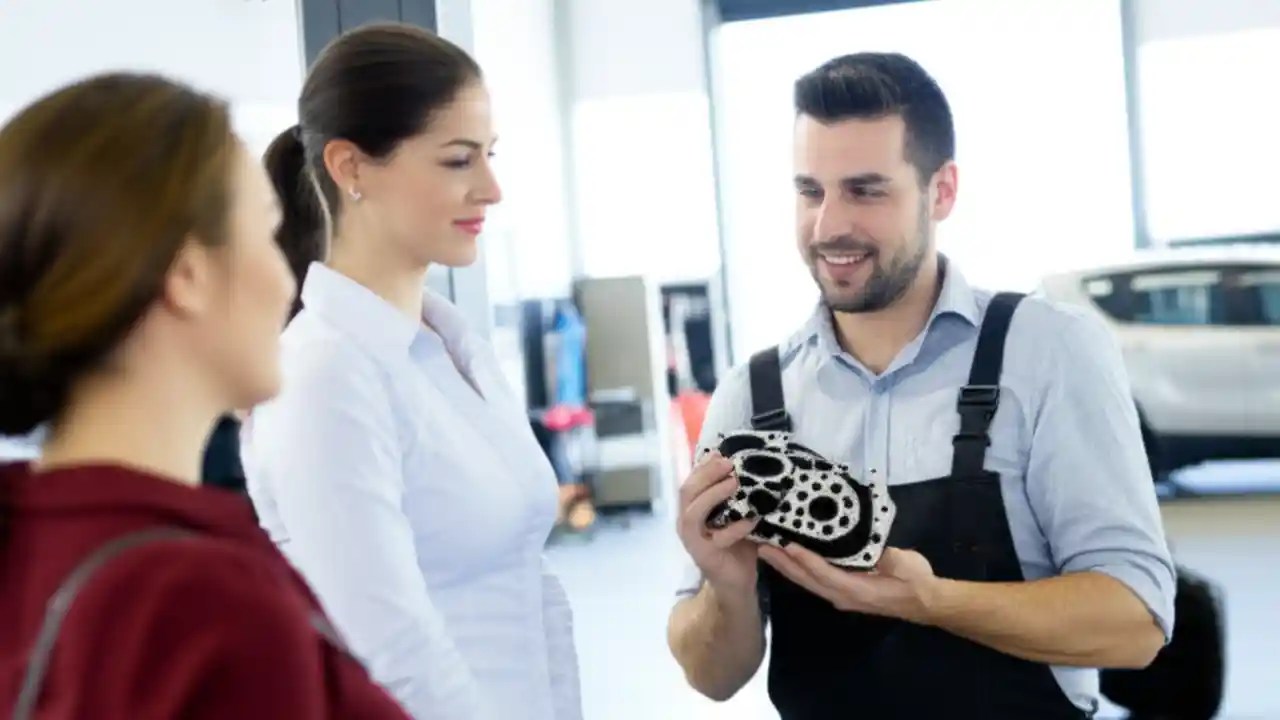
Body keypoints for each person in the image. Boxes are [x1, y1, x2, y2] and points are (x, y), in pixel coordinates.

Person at [667, 52, 1176, 719]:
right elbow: (711, 678)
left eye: (866, 190)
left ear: (942, 191)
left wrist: (929, 600)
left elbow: (1136, 621)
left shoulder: (1049, 353)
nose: (828, 227)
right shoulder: (753, 398)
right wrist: (726, 588)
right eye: (810, 191)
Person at [0, 73, 411, 719]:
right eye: (266, 236)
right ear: (186, 275)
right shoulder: (205, 604)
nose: (288, 282)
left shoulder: (29, 541)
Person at [241, 22, 581, 720]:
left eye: (489, 156)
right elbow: (388, 652)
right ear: (352, 168)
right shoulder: (326, 373)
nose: (492, 189)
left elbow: (528, 583)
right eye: (458, 161)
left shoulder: (455, 350)